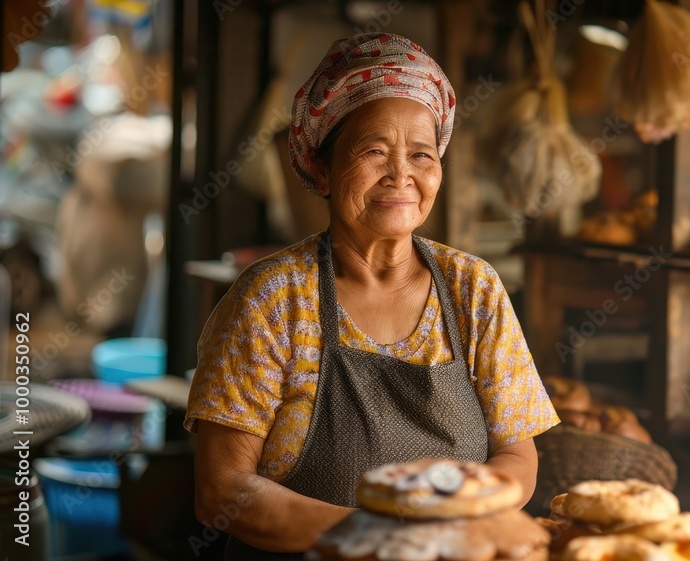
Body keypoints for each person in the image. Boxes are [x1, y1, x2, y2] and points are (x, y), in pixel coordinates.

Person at [185, 33, 560, 560]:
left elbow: (517, 453)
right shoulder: (272, 298)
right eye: (374, 150)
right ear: (320, 167)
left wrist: (455, 530)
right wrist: (386, 539)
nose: (402, 174)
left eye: (422, 154)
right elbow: (222, 491)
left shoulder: (472, 287)